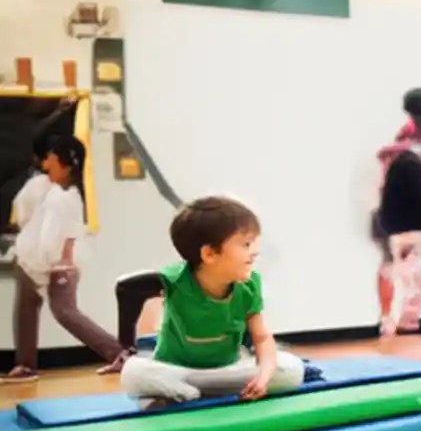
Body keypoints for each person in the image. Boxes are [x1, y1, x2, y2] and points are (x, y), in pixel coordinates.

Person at [120, 196, 305, 403]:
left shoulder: (249, 285)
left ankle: (184, 393)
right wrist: (125, 342)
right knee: (132, 373)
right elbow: (127, 288)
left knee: (291, 370)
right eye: (245, 244)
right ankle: (184, 388)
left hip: (226, 370)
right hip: (175, 369)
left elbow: (261, 338)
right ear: (209, 254)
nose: (255, 252)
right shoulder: (175, 279)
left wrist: (263, 376)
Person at [4, 136, 130, 383]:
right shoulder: (55, 192)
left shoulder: (64, 196)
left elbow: (62, 233)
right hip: (37, 260)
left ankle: (118, 352)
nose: (46, 165)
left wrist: (60, 262)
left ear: (65, 165)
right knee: (30, 308)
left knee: (64, 311)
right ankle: (25, 365)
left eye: (52, 160)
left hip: (52, 264)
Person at [374, 88, 421, 337]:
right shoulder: (406, 150)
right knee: (402, 270)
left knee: (411, 272)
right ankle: (392, 320)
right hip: (402, 213)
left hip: (411, 213)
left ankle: (402, 320)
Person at [377, 148, 421, 337]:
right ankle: (415, 321)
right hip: (419, 234)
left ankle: (400, 321)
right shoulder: (417, 173)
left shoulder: (392, 187)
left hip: (397, 235)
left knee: (404, 282)